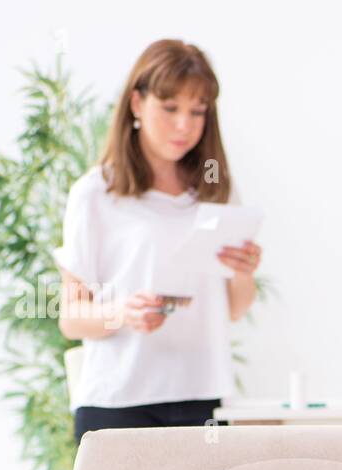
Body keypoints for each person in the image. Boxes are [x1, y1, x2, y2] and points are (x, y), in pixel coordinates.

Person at [55, 39, 263, 445]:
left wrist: (243, 272)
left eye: (197, 111)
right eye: (170, 108)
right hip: (119, 401)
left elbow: (234, 309)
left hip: (203, 395)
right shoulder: (96, 193)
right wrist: (122, 313)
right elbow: (70, 316)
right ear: (136, 103)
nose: (184, 125)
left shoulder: (215, 187)